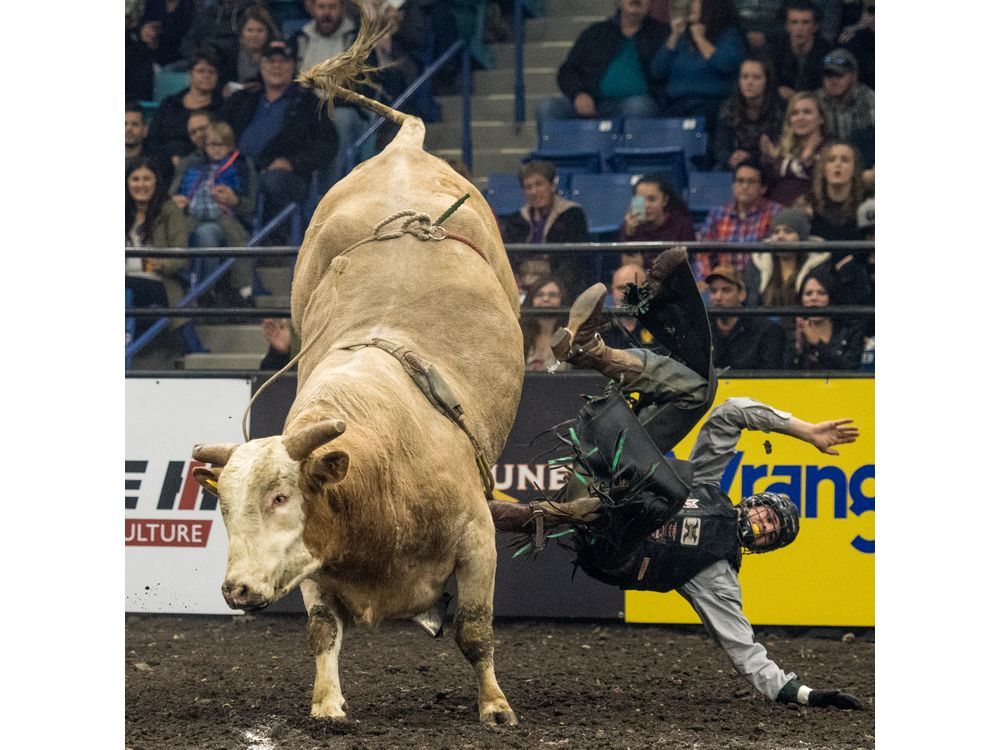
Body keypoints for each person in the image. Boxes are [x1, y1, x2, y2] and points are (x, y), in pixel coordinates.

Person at [489, 250, 864, 710]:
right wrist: (804, 431)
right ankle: (593, 351)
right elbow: (731, 415)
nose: (764, 525)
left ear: (762, 547)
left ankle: (522, 515)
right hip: (603, 466)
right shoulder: (708, 485)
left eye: (770, 532)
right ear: (754, 501)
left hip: (605, 542)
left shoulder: (717, 575)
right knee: (701, 390)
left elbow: (745, 649)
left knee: (640, 502)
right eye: (769, 515)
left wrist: (805, 694)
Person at [219, 38, 339, 243]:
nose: (276, 66)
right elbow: (219, 130)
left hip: (286, 177)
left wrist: (292, 163)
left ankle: (273, 245)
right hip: (239, 169)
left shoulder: (309, 102)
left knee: (272, 182)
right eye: (270, 61)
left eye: (283, 61)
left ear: (294, 66)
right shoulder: (243, 98)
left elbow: (327, 144)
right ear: (261, 65)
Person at [170, 120, 258, 304]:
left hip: (222, 213)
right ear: (204, 145)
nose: (217, 149)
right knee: (177, 240)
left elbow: (249, 202)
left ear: (230, 146)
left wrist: (234, 199)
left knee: (240, 242)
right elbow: (174, 194)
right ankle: (181, 283)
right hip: (192, 214)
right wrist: (179, 201)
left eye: (222, 145)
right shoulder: (192, 165)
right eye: (212, 145)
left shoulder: (239, 166)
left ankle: (244, 288)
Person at [535, 0, 664, 125]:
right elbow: (568, 70)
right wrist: (578, 95)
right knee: (548, 108)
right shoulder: (596, 33)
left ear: (650, 3)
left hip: (637, 104)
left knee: (638, 106)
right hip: (593, 102)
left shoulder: (661, 34)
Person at [295, 0, 378, 183]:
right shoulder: (299, 39)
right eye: (321, 7)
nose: (326, 13)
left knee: (338, 119)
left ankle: (332, 188)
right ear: (312, 9)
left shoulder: (358, 39)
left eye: (332, 7)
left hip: (344, 108)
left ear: (342, 8)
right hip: (308, 106)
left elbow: (366, 84)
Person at [651, 0, 745, 136]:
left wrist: (700, 40)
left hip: (710, 104)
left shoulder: (729, 36)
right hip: (676, 103)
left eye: (698, 2)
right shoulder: (682, 37)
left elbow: (727, 65)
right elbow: (657, 71)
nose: (692, 6)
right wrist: (673, 36)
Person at [499, 161, 589, 297]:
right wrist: (513, 282)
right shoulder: (516, 220)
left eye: (539, 184)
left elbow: (574, 262)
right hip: (522, 286)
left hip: (559, 286)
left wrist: (553, 288)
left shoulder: (572, 214)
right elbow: (508, 259)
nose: (534, 191)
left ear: (552, 186)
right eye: (528, 187)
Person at [694, 158, 781, 281]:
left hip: (761, 282)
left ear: (763, 188)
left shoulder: (775, 213)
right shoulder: (717, 213)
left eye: (751, 182)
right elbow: (702, 253)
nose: (745, 186)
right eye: (740, 181)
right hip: (723, 282)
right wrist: (705, 279)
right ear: (733, 186)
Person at [126, 158, 190, 310]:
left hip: (159, 283)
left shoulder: (170, 211)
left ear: (156, 182)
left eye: (146, 179)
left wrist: (156, 264)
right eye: (135, 179)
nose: (141, 185)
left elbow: (181, 257)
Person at [746, 207, 829, 326]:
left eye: (788, 231)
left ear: (801, 236)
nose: (780, 236)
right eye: (776, 232)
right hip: (764, 329)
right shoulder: (757, 263)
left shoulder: (819, 265)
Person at [149, 47, 225, 168]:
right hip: (164, 165)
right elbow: (153, 138)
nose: (206, 75)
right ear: (190, 74)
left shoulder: (224, 107)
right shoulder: (170, 104)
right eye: (200, 71)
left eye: (211, 72)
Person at [712, 55, 786, 170]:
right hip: (735, 165)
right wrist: (732, 157)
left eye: (756, 77)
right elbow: (721, 146)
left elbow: (781, 147)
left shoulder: (780, 108)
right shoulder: (729, 109)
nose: (749, 82)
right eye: (744, 77)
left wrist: (750, 158)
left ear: (767, 81)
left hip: (769, 164)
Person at [705, 264, 785, 370]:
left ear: (742, 294)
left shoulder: (766, 331)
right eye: (713, 291)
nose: (718, 297)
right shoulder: (703, 328)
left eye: (726, 290)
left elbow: (770, 373)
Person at [785, 268, 865, 370]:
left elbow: (850, 369)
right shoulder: (793, 329)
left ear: (831, 297)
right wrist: (798, 349)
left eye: (821, 293)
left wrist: (818, 344)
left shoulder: (851, 329)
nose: (814, 298)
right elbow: (785, 372)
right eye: (808, 293)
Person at [760, 90, 830, 206]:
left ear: (821, 118)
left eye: (807, 112)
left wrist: (808, 162)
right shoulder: (781, 148)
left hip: (810, 210)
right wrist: (769, 161)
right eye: (795, 113)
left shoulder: (831, 148)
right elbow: (766, 187)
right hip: (773, 210)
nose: (800, 118)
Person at [618, 175, 696, 268]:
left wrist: (645, 264)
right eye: (640, 200)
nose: (646, 205)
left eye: (652, 199)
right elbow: (626, 262)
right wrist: (628, 235)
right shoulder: (629, 226)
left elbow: (685, 265)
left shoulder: (681, 225)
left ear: (665, 200)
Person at [772, 0, 834, 101]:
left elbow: (830, 90)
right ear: (787, 26)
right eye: (794, 22)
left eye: (805, 22)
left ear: (815, 26)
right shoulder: (776, 50)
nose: (799, 28)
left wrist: (796, 96)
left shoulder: (828, 53)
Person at [180, 0, 251, 83]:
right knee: (170, 71)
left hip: (234, 64)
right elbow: (188, 41)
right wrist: (199, 57)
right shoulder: (207, 13)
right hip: (204, 60)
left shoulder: (248, 14)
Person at [815, 48, 874, 143]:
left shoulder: (870, 100)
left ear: (854, 76)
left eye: (839, 75)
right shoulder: (815, 101)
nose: (833, 81)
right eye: (829, 75)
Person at [223, 3, 281, 97]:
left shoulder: (277, 54)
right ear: (242, 32)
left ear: (268, 32)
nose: (255, 35)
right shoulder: (231, 53)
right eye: (250, 30)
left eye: (260, 30)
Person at [521, 276, 570, 372]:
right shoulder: (520, 334)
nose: (546, 299)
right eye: (539, 295)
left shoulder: (571, 335)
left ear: (562, 300)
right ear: (531, 300)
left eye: (553, 295)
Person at [603, 264, 655, 350]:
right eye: (620, 288)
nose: (625, 293)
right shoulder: (600, 330)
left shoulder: (658, 328)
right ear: (612, 290)